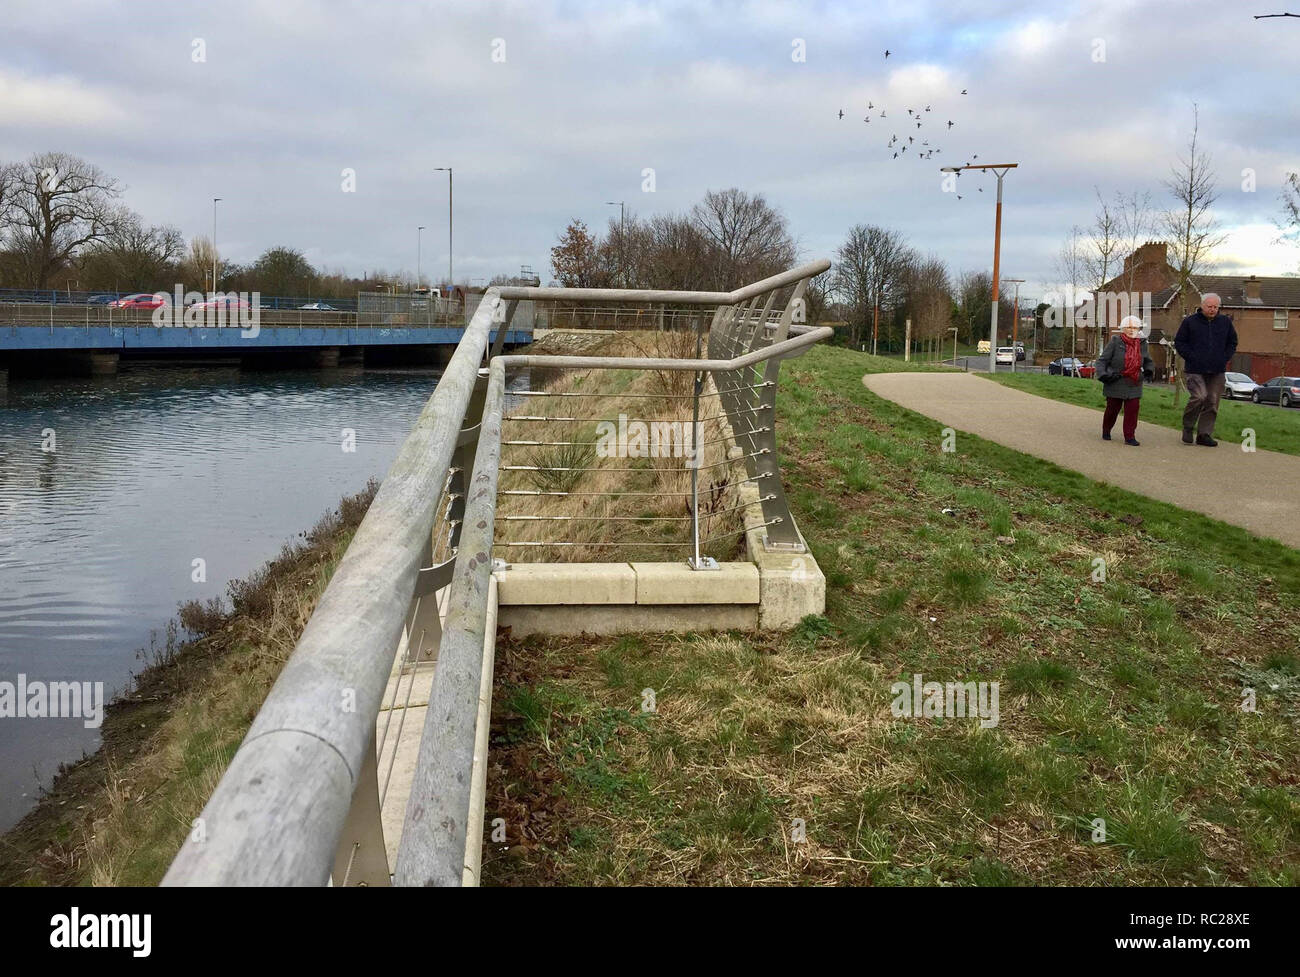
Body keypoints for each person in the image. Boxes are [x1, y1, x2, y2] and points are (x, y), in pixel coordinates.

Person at [1174, 293, 1238, 447]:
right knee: (1200, 396)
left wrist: (1225, 357)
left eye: (1216, 307)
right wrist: (1191, 357)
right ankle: (1188, 426)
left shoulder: (1225, 322)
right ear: (1202, 305)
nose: (1213, 309)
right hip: (1195, 368)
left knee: (1213, 401)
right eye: (1210, 306)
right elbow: (1180, 342)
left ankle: (1204, 434)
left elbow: (1232, 342)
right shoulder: (1190, 322)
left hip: (1217, 369)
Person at [1096, 315, 1155, 445]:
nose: (1131, 330)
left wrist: (1149, 370)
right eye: (1128, 327)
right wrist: (1103, 374)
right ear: (1123, 328)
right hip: (1115, 380)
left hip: (1134, 381)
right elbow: (1102, 361)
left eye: (1134, 327)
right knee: (1112, 409)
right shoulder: (1115, 341)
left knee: (1132, 409)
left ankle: (1129, 436)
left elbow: (1147, 360)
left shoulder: (1142, 343)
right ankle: (1106, 429)